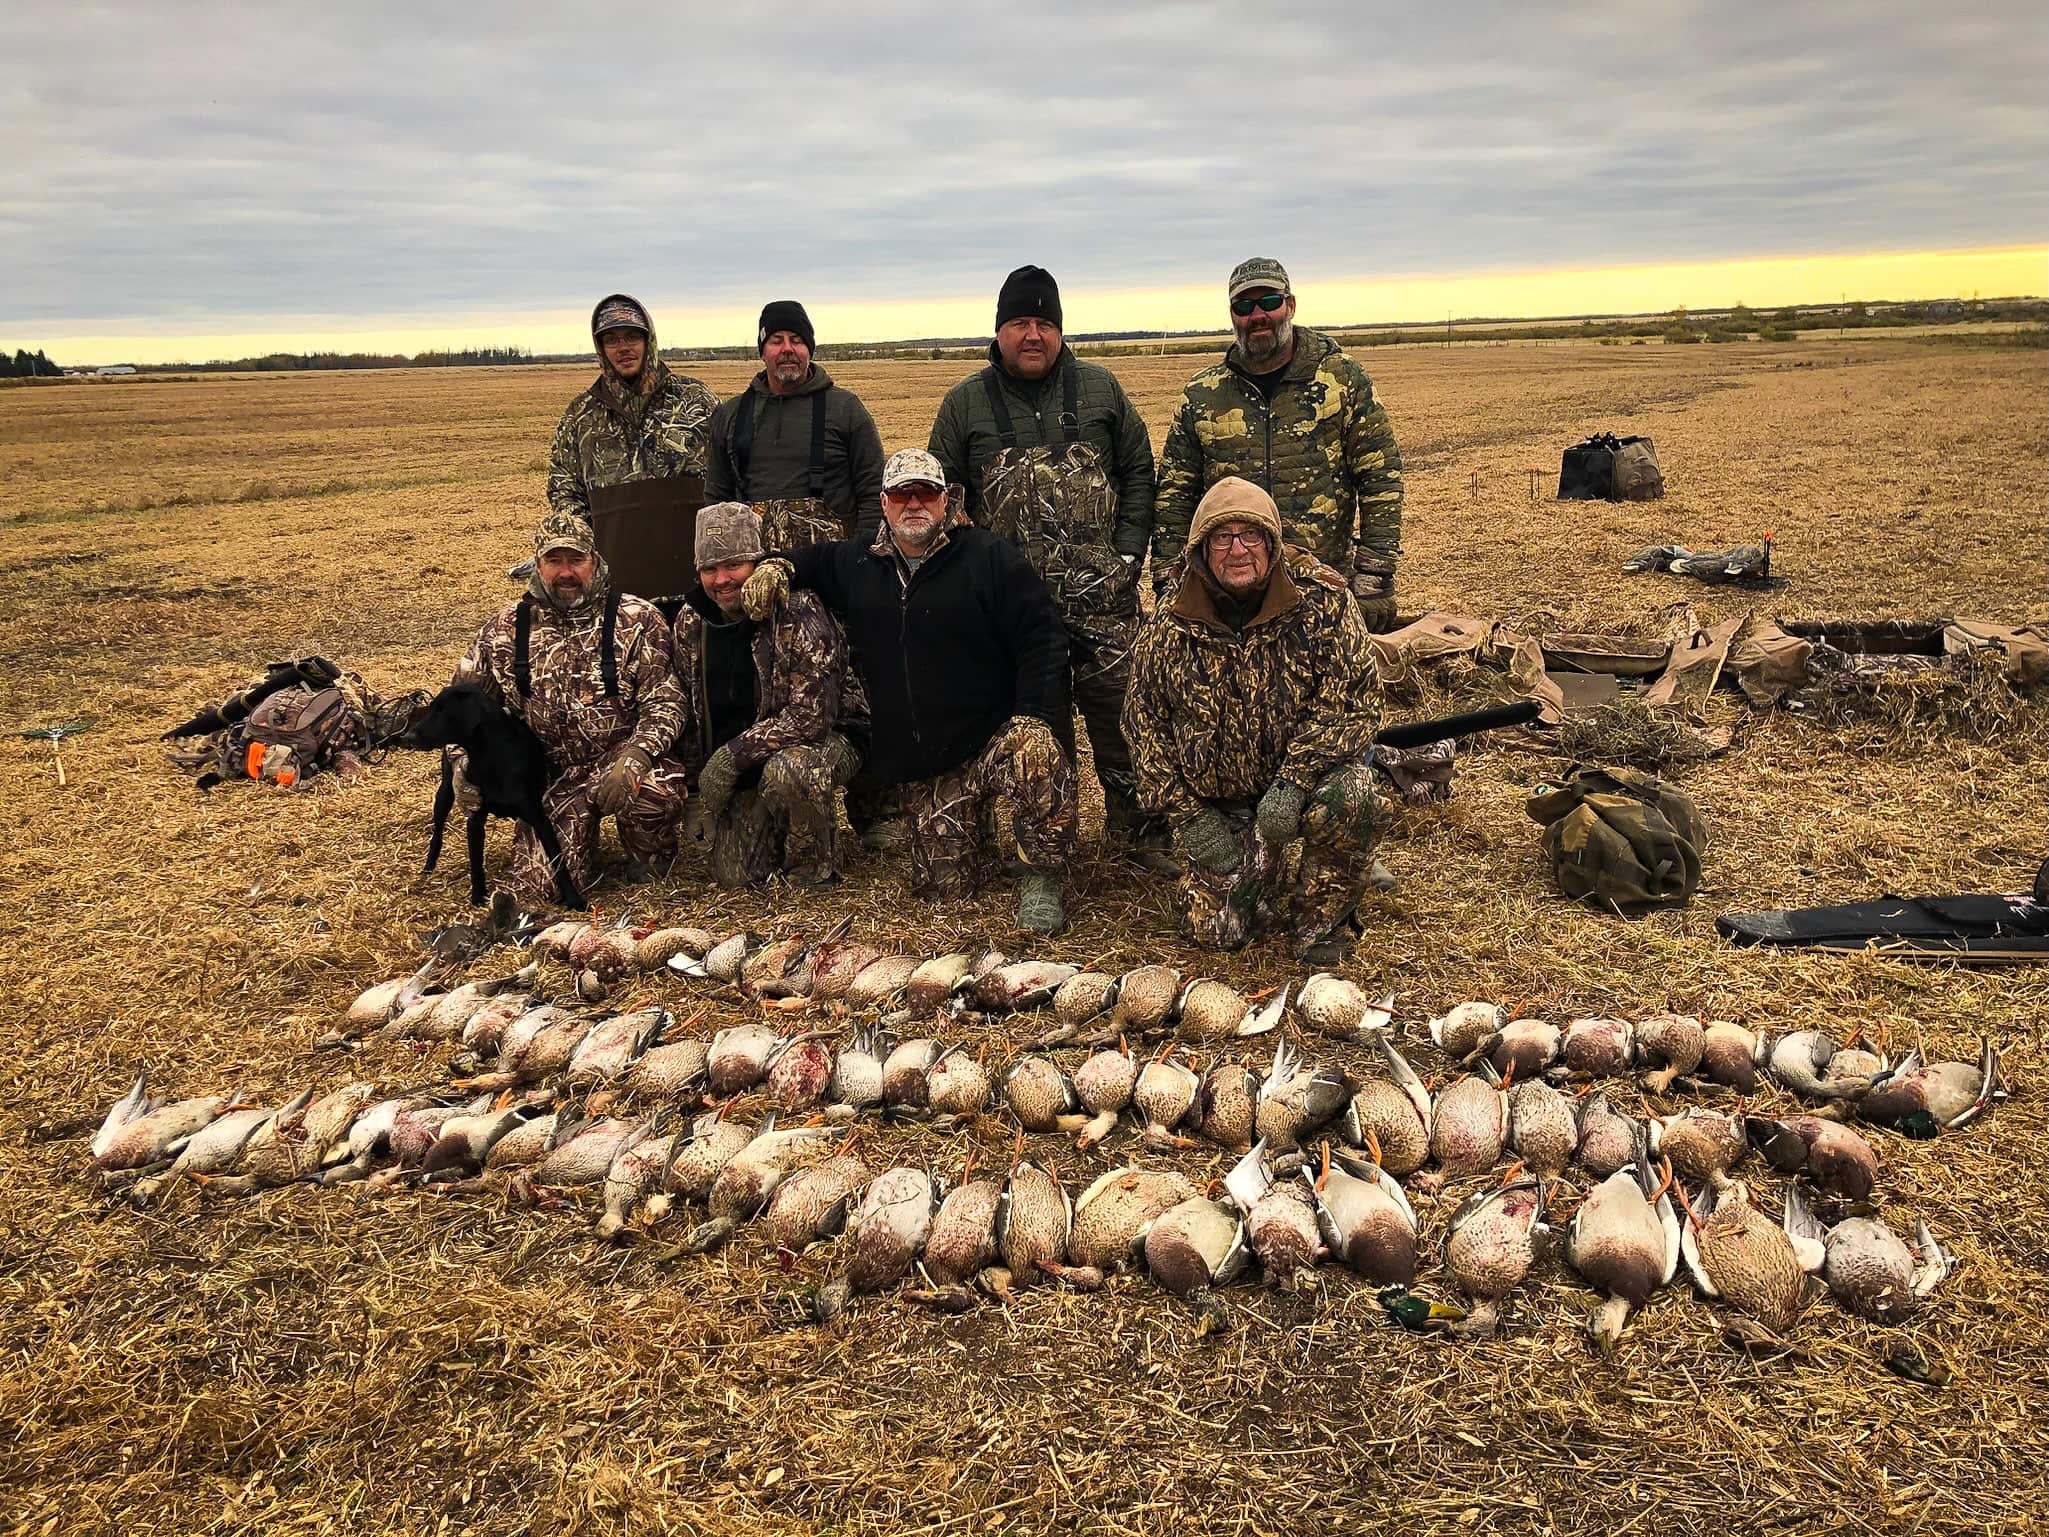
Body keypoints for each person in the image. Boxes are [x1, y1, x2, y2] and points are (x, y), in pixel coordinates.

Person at [740, 448, 1076, 934]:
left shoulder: (988, 556)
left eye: (926, 493)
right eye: (902, 494)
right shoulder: (858, 561)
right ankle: (974, 831)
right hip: (929, 766)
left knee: (1035, 751)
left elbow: (1043, 637)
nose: (913, 503)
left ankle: (1042, 873)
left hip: (990, 741)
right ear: (884, 502)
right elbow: (809, 561)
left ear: (945, 501)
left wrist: (1032, 714)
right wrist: (778, 567)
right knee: (944, 889)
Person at [927, 265, 1167, 869]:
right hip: (1013, 611)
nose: (1031, 335)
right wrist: (969, 576)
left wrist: (1128, 554)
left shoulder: (1101, 390)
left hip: (1103, 599)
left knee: (1123, 718)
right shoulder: (964, 405)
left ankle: (1139, 834)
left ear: (1059, 330)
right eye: (1019, 323)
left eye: (1043, 323)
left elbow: (1139, 471)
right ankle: (1048, 856)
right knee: (1038, 726)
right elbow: (941, 494)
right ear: (999, 330)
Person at [1125, 477, 1383, 961]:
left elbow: (1354, 704)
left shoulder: (1323, 603)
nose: (1237, 550)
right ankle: (1261, 874)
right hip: (1220, 804)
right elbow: (1144, 727)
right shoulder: (1169, 623)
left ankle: (1322, 922)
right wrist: (1188, 816)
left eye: (1252, 535)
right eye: (1222, 537)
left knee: (1354, 794)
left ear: (1273, 543)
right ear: (1202, 549)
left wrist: (1293, 783)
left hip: (1301, 789)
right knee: (1217, 933)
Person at [1152, 258, 1405, 630]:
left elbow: (1380, 477)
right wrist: (1166, 581)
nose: (1258, 316)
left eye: (1269, 302)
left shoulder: (1341, 379)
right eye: (1244, 306)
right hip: (1231, 594)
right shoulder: (1201, 395)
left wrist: (1375, 574)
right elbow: (1176, 495)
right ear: (1233, 315)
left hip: (1323, 584)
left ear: (1290, 305)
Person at [452, 511, 691, 904]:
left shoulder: (638, 618)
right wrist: (462, 762)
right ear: (537, 564)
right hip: (549, 775)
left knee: (654, 794)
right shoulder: (502, 629)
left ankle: (649, 856)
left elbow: (667, 700)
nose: (566, 572)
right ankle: (576, 846)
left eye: (576, 560)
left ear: (595, 562)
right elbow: (460, 711)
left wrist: (637, 754)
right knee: (537, 890)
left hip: (620, 758)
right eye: (554, 561)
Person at [671, 502, 866, 888]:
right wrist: (697, 794)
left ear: (759, 563)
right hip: (746, 758)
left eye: (734, 565)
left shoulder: (798, 608)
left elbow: (811, 718)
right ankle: (768, 827)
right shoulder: (691, 621)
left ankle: (816, 868)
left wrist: (730, 758)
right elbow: (692, 712)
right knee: (737, 878)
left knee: (790, 772)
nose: (722, 579)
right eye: (710, 568)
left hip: (828, 739)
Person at [545, 294, 719, 599]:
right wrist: (591, 553)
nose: (623, 348)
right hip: (619, 596)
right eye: (611, 340)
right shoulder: (581, 415)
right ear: (600, 348)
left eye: (632, 336)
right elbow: (564, 490)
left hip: (700, 586)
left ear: (648, 339)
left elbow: (731, 471)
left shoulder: (696, 400)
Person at [704, 300, 887, 547]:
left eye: (797, 340)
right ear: (762, 351)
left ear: (809, 349)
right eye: (776, 340)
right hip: (753, 563)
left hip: (831, 566)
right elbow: (717, 498)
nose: (787, 349)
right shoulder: (730, 414)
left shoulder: (845, 408)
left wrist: (862, 554)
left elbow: (873, 489)